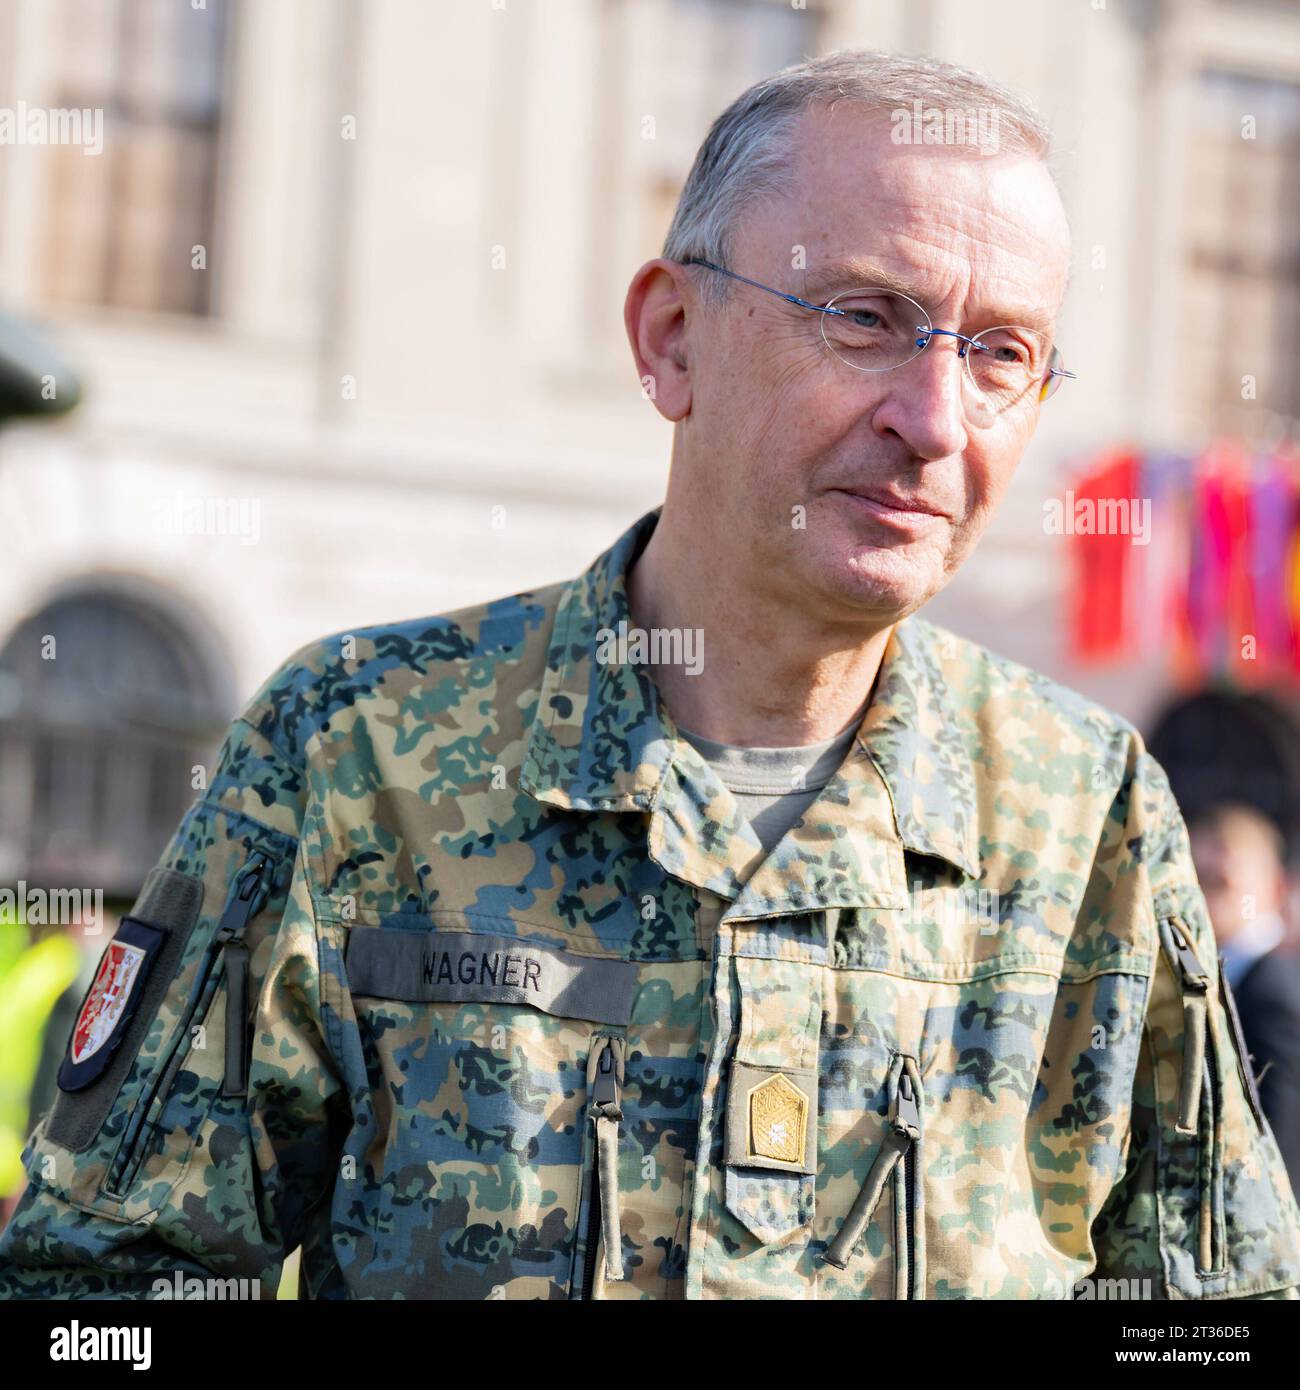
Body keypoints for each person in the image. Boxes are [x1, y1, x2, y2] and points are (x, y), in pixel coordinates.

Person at [2, 49, 1298, 1301]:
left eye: (1002, 352)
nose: (935, 419)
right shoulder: (360, 751)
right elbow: (103, 1294)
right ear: (672, 337)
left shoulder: (1085, 814)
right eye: (865, 317)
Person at [1189, 802, 1300, 1195]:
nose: (1204, 899)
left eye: (1221, 882)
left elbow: (1279, 1135)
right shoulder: (1228, 973)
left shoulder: (1273, 987)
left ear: (1275, 887)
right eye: (1196, 881)